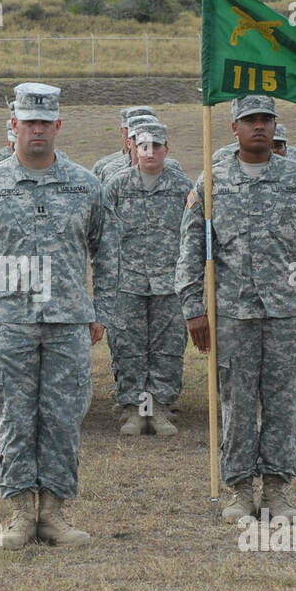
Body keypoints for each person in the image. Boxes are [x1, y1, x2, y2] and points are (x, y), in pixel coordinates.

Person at [0, 83, 118, 549]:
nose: (38, 130)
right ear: (14, 128)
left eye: (46, 122)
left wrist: (99, 310)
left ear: (58, 126)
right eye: (29, 122)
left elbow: (109, 253)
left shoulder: (85, 185)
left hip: (69, 324)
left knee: (64, 417)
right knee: (16, 417)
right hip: (10, 323)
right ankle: (20, 513)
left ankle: (54, 513)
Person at [176, 95, 296, 522]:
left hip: (287, 312)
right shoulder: (211, 182)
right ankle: (241, 491)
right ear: (234, 127)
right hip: (232, 313)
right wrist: (194, 309)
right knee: (237, 402)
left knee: (284, 402)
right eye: (250, 120)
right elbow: (192, 250)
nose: (259, 127)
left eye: (266, 119)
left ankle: (277, 492)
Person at [103, 119, 192, 436]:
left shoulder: (183, 188)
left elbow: (195, 235)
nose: (150, 151)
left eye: (156, 146)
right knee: (130, 348)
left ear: (166, 149)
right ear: (132, 147)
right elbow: (103, 236)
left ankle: (161, 410)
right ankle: (137, 411)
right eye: (144, 146)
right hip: (127, 283)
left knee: (167, 348)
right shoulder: (116, 186)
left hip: (170, 283)